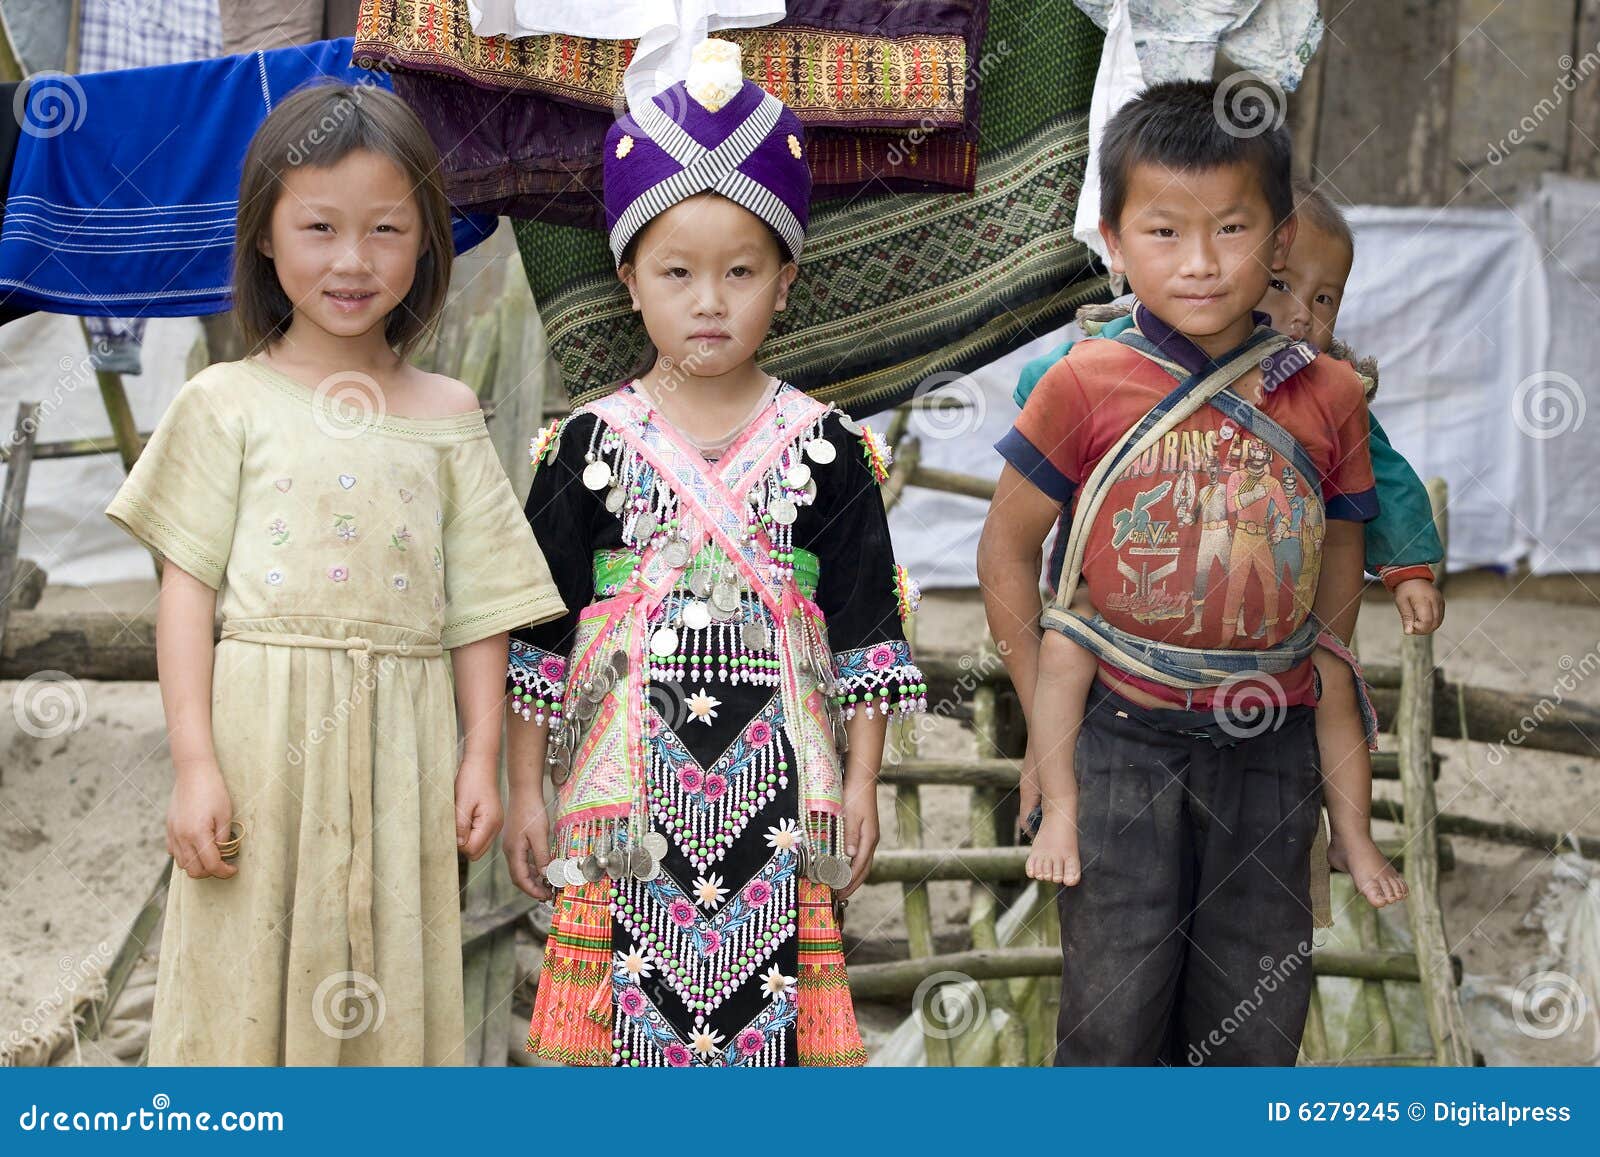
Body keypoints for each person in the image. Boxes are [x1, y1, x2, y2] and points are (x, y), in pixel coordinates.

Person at [104, 82, 565, 1064]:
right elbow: (184, 592)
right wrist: (195, 764)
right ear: (265, 236)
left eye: (385, 230)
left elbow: (480, 604)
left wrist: (477, 755)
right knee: (244, 967)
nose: (352, 261)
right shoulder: (223, 400)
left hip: (404, 739)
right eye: (318, 226)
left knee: (389, 962)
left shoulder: (447, 412)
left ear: (427, 240)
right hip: (260, 735)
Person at [502, 39, 926, 1067]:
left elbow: (868, 627)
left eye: (739, 272)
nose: (708, 299)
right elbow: (538, 641)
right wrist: (525, 786)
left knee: (765, 1029)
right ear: (629, 280)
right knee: (626, 1028)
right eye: (677, 272)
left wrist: (862, 784)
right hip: (623, 799)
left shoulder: (828, 448)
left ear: (783, 283)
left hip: (780, 798)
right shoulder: (583, 447)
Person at [978, 78, 1378, 1065]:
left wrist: (1314, 656)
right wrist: (1045, 717)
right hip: (1120, 738)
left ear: (1280, 240)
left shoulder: (1327, 395)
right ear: (1112, 240)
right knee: (1113, 1008)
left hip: (1272, 740)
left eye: (1232, 228)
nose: (1201, 263)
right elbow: (1006, 547)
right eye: (1164, 231)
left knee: (1254, 1009)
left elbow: (1338, 540)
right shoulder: (1082, 383)